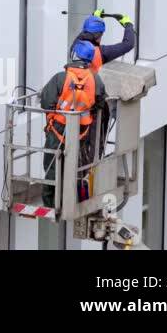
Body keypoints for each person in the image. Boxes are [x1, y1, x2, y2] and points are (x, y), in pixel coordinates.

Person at [40, 41, 108, 208]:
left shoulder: (60, 78)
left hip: (58, 130)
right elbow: (100, 103)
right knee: (77, 165)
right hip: (81, 131)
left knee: (52, 166)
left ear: (74, 56)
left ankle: (51, 203)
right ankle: (75, 199)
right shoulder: (95, 79)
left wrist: (51, 118)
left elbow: (46, 101)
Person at [70, 9, 136, 73]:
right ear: (99, 35)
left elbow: (84, 32)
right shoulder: (102, 52)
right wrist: (128, 25)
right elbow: (128, 44)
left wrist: (94, 18)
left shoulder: (74, 47)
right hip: (91, 83)